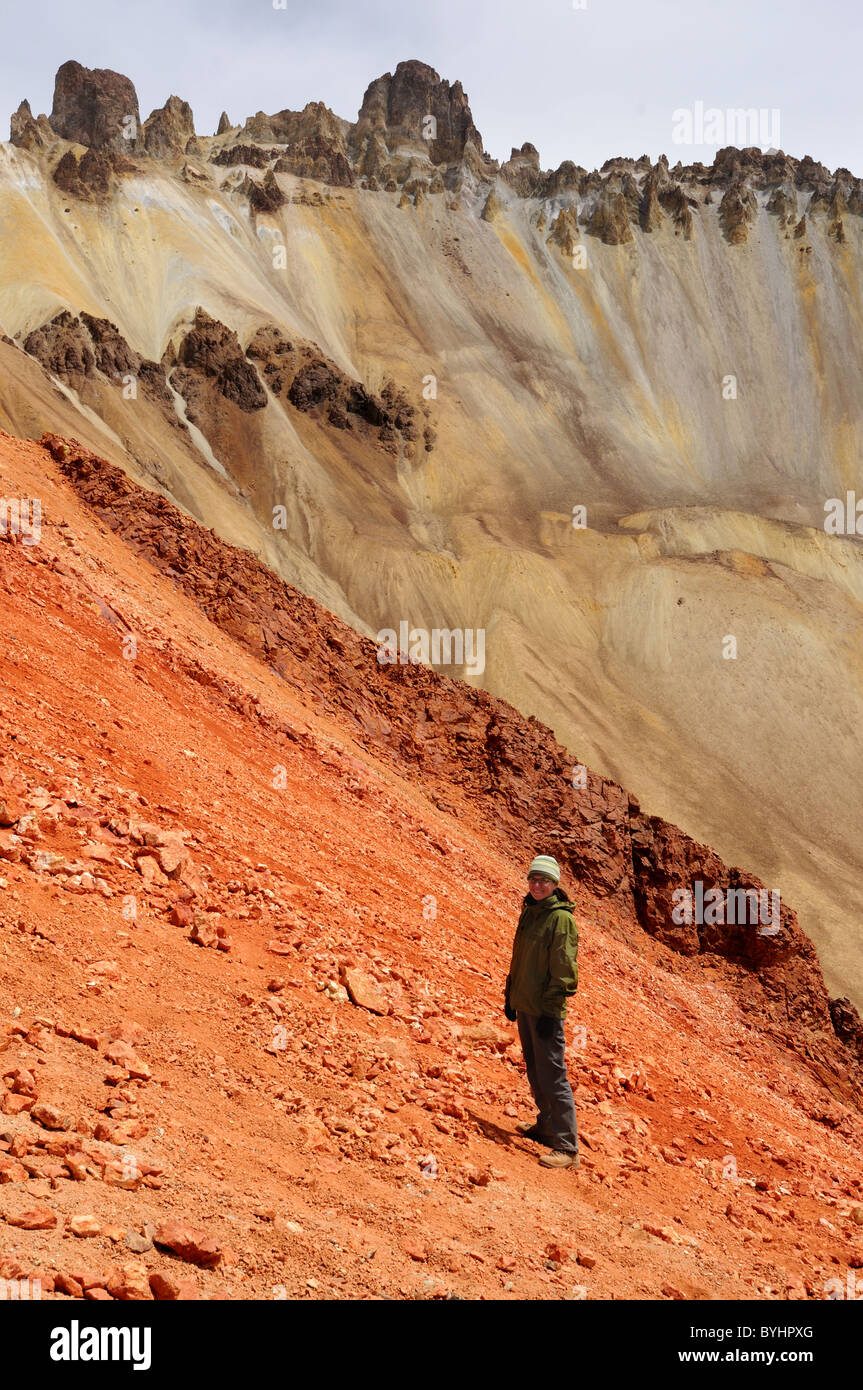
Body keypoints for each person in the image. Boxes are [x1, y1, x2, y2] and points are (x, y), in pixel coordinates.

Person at [504, 855, 579, 1169]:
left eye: (544, 881)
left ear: (554, 885)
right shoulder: (530, 910)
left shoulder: (561, 919)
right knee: (535, 1068)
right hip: (525, 1003)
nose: (537, 885)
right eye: (533, 879)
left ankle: (567, 1148)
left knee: (553, 1074)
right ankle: (546, 1126)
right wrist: (511, 995)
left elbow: (564, 971)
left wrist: (551, 1013)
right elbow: (520, 957)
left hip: (545, 1010)